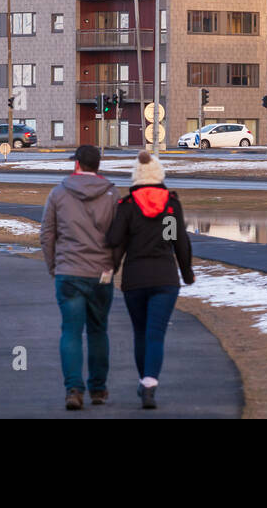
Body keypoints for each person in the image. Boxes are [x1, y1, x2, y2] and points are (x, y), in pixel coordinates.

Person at [106, 150, 194, 411]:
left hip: (135, 279)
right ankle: (149, 384)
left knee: (140, 333)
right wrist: (186, 272)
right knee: (156, 334)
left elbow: (115, 242)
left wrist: (111, 267)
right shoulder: (169, 205)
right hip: (165, 278)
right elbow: (177, 241)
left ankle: (144, 380)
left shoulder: (128, 206)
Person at [40, 143, 119, 411]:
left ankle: (74, 389)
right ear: (97, 165)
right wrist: (113, 266)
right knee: (98, 330)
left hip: (69, 271)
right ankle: (98, 388)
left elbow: (47, 234)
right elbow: (119, 236)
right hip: (101, 272)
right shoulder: (111, 194)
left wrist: (54, 266)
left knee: (71, 332)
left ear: (77, 164)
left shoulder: (59, 193)